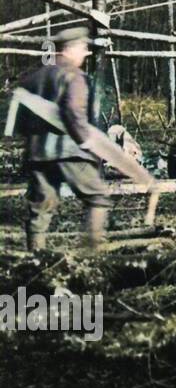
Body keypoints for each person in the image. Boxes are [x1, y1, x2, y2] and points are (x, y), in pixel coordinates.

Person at [15, 27, 113, 251]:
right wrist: (87, 142)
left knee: (40, 209)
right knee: (97, 197)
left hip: (37, 154)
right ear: (70, 49)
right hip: (69, 151)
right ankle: (93, 255)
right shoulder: (73, 76)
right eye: (83, 49)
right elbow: (73, 112)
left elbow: (19, 119)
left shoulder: (32, 78)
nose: (84, 54)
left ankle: (36, 260)